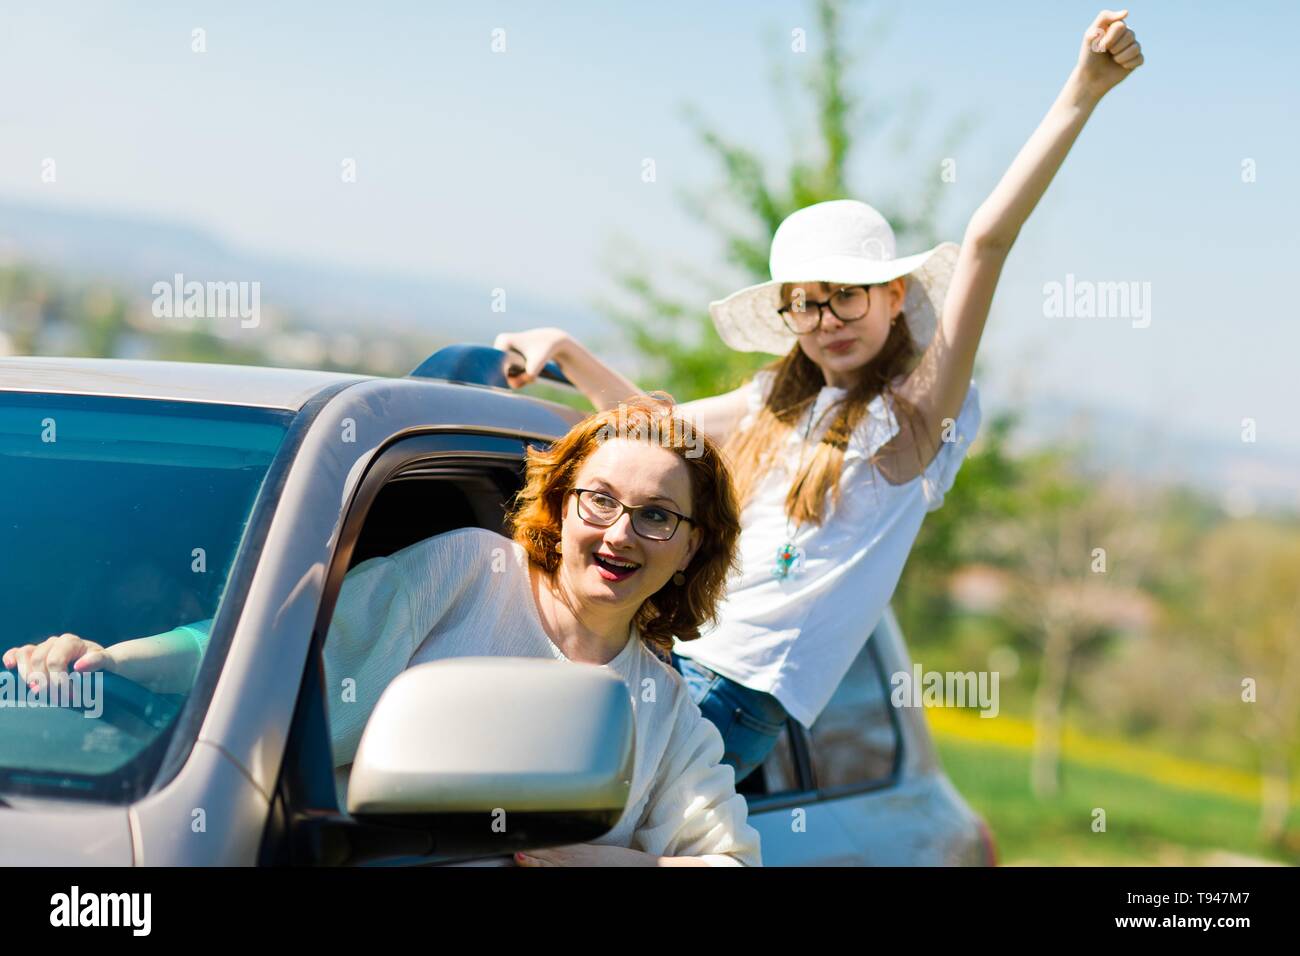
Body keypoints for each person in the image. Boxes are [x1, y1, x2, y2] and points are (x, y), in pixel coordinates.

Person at [492, 10, 1145, 782]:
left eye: (846, 297)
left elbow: (986, 242)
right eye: (803, 302)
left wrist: (1084, 89)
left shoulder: (914, 419)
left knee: (571, 821)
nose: (825, 320)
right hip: (664, 656)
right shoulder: (781, 401)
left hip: (732, 697)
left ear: (895, 296)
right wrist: (566, 350)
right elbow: (653, 432)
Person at [4, 396, 760, 866]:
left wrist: (562, 857)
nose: (620, 534)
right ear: (561, 507)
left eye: (657, 515)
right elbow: (270, 650)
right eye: (598, 501)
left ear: (693, 545)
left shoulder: (665, 708)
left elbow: (726, 864)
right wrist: (110, 659)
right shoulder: (467, 573)